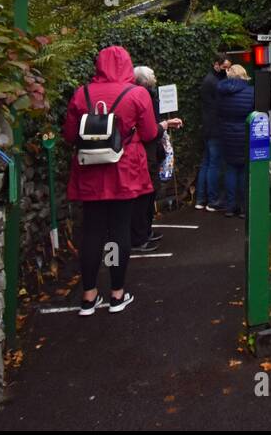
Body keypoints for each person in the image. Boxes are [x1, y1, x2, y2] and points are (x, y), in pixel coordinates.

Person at [62, 45, 158, 315]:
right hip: (123, 170)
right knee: (119, 229)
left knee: (92, 231)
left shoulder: (82, 93)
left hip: (89, 170)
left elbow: (70, 135)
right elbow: (150, 133)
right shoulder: (137, 93)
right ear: (127, 64)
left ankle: (89, 296)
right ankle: (117, 294)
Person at [130, 65, 183, 252]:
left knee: (149, 193)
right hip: (146, 152)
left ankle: (145, 232)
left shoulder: (148, 95)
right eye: (152, 74)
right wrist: (165, 125)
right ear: (144, 80)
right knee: (145, 194)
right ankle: (140, 236)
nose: (155, 75)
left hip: (150, 151)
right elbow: (149, 129)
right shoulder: (142, 97)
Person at [215, 63, 255, 218]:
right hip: (245, 134)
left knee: (230, 170)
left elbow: (218, 111)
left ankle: (231, 207)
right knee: (245, 170)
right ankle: (244, 208)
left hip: (227, 133)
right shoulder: (251, 92)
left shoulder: (221, 92)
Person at [195, 53, 229, 211]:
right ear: (217, 64)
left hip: (208, 126)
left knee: (206, 163)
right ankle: (213, 200)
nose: (226, 71)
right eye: (224, 67)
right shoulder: (215, 82)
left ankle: (201, 199)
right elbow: (220, 105)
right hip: (216, 128)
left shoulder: (209, 79)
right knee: (214, 164)